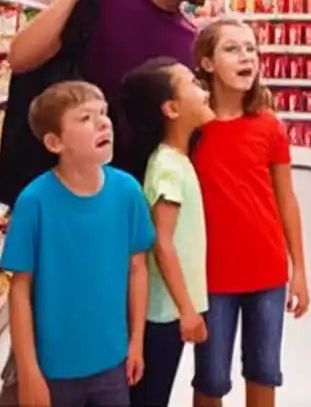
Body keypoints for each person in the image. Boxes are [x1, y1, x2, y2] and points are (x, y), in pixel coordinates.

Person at [0, 0, 217, 207]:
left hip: (138, 204)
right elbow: (20, 58)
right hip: (70, 196)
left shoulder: (189, 40)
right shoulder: (101, 0)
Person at [0, 81, 155, 407]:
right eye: (85, 118)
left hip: (112, 361)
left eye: (103, 113)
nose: (103, 123)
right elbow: (19, 290)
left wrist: (137, 342)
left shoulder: (128, 191)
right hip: (53, 369)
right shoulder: (34, 201)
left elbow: (138, 269)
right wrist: (27, 371)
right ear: (54, 142)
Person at [190, 19, 310, 407]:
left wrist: (299, 270)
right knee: (210, 379)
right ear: (206, 62)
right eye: (232, 49)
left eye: (251, 48)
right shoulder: (193, 129)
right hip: (212, 275)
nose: (246, 57)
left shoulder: (270, 126)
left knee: (264, 372)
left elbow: (286, 199)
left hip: (267, 271)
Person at [119, 58, 215, 407]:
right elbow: (162, 242)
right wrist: (187, 309)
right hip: (164, 311)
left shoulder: (174, 160)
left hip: (168, 309)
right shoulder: (168, 167)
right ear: (172, 109)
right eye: (193, 84)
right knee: (150, 397)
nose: (203, 90)